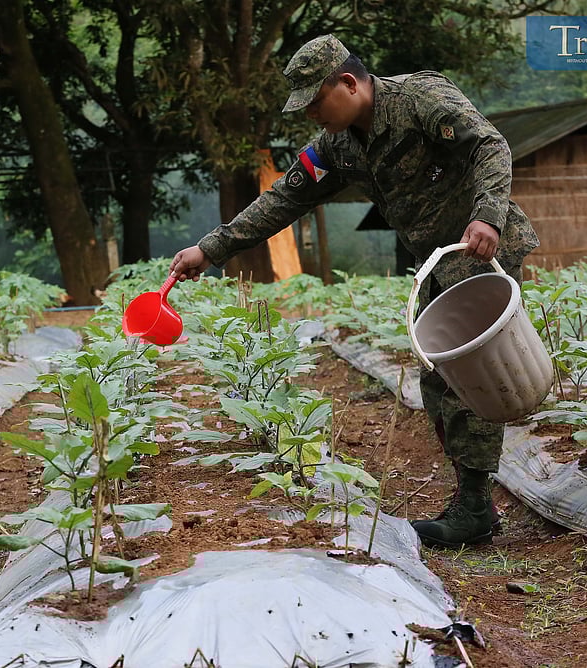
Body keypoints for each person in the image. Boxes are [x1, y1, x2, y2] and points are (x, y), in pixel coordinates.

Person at [168, 34, 540, 548]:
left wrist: (487, 215)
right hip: (434, 262)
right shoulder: (336, 147)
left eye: (316, 103)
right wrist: (210, 250)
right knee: (440, 381)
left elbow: (489, 146)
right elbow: (284, 198)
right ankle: (472, 500)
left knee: (463, 377)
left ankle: (474, 510)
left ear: (348, 82)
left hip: (477, 249)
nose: (313, 116)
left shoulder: (420, 99)